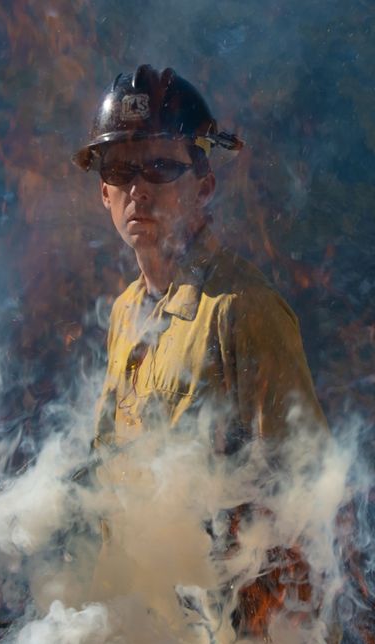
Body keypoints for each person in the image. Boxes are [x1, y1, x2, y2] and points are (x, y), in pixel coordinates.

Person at [73, 65, 328, 461]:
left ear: (204, 187)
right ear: (105, 191)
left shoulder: (242, 310)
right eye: (120, 170)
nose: (138, 189)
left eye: (161, 167)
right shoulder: (125, 311)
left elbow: (305, 483)